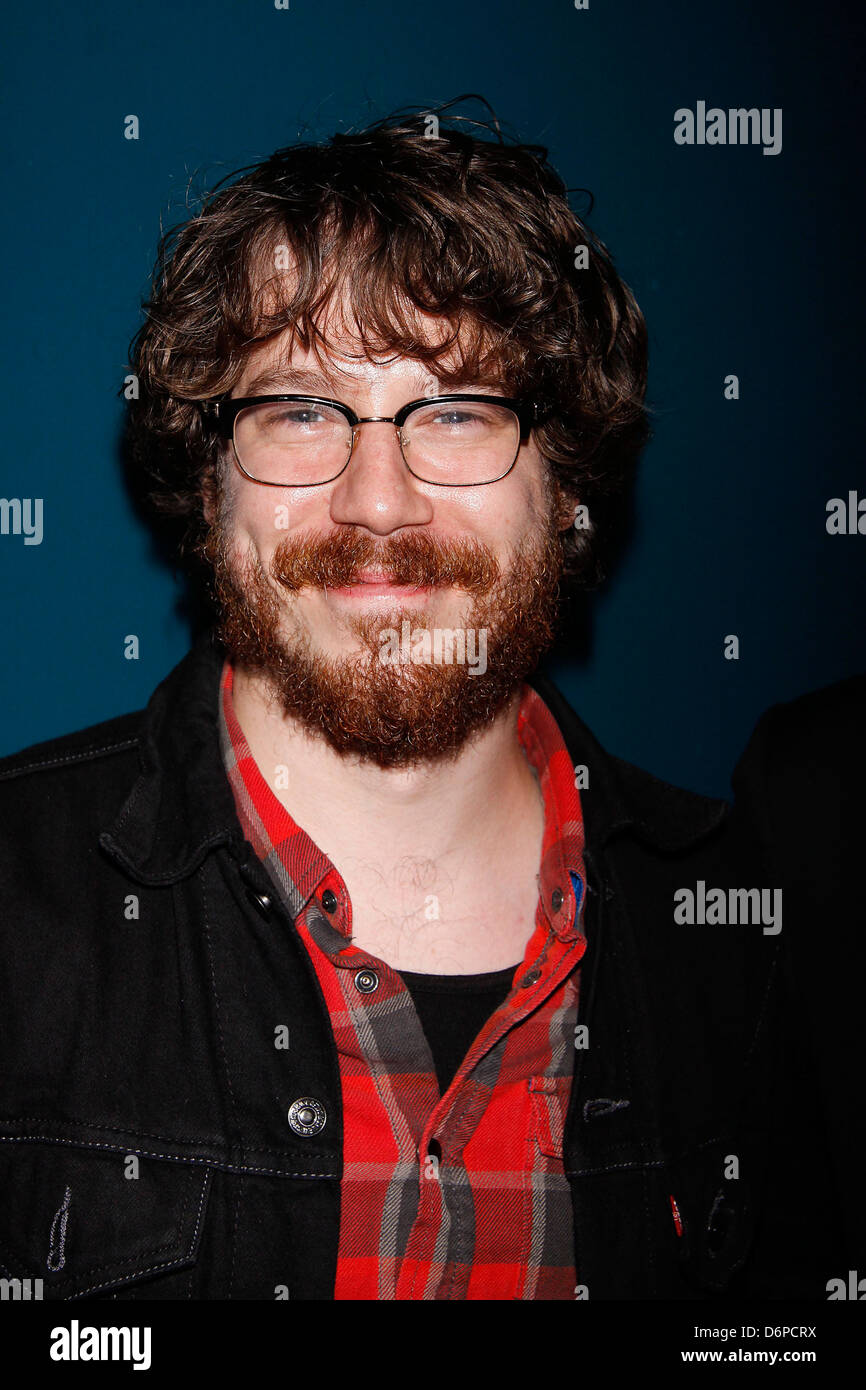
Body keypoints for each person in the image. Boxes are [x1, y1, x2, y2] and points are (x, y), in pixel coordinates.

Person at [0, 103, 842, 1300]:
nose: (378, 505)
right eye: (299, 411)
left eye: (455, 411)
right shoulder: (16, 905)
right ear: (207, 483)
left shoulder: (733, 934)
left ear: (567, 484)